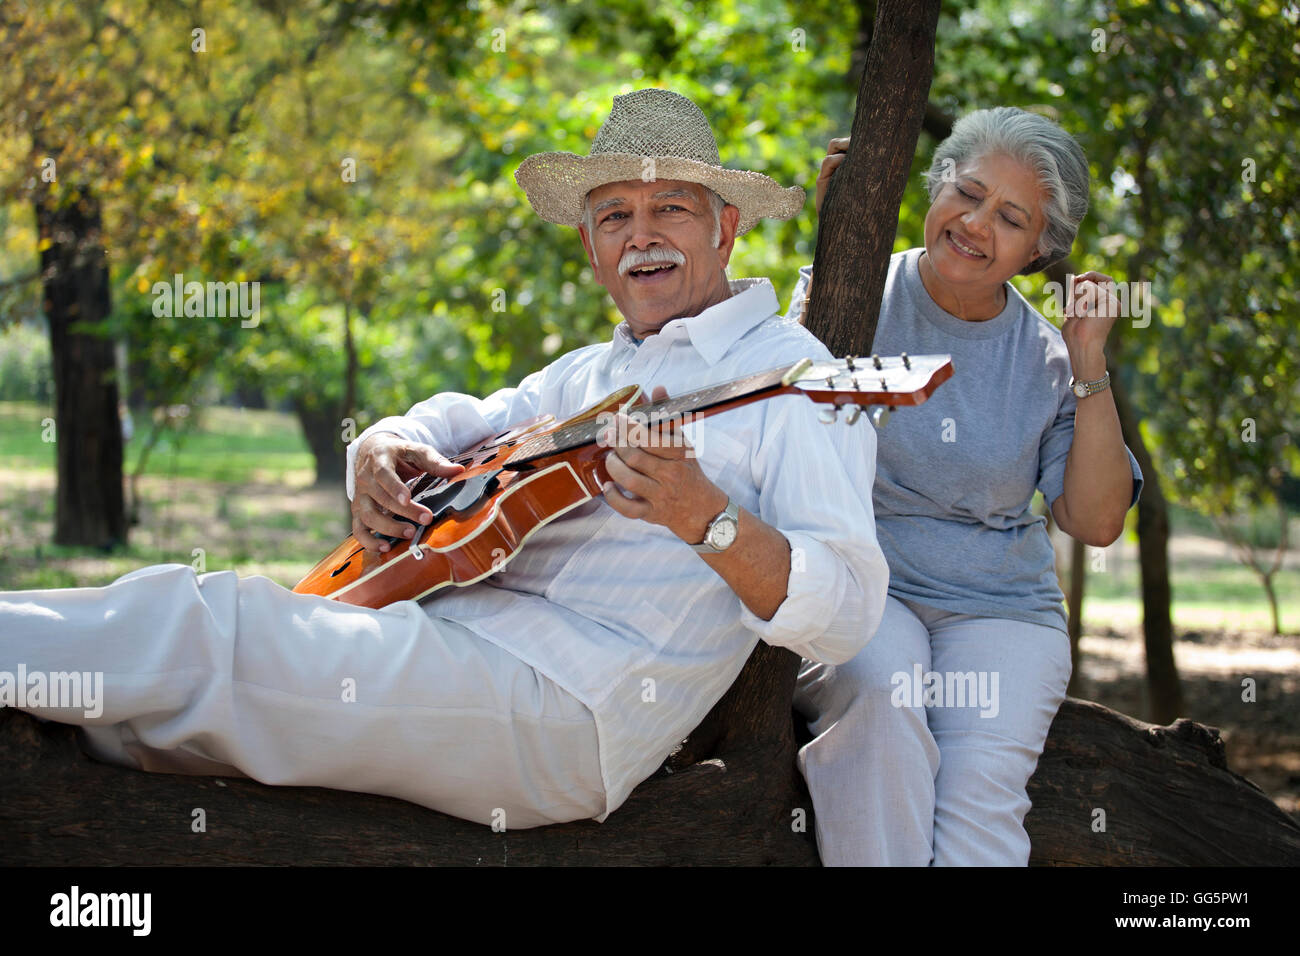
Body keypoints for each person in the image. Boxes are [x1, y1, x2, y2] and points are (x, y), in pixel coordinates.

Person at [0, 88, 889, 830]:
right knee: (171, 714)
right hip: (457, 638)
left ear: (725, 227)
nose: (640, 236)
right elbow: (466, 420)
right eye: (614, 215)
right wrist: (383, 441)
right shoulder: (595, 369)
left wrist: (710, 519)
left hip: (573, 705)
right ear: (588, 246)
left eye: (671, 210)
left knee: (216, 624)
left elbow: (846, 613)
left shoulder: (798, 382)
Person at [790, 107, 1144, 865]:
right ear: (935, 186)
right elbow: (779, 421)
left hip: (999, 608)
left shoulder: (1045, 358)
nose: (976, 223)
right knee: (883, 699)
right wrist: (836, 238)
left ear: (1038, 250)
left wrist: (1088, 362)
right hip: (862, 578)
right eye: (967, 192)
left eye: (1010, 217)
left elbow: (1097, 519)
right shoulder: (846, 293)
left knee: (980, 797)